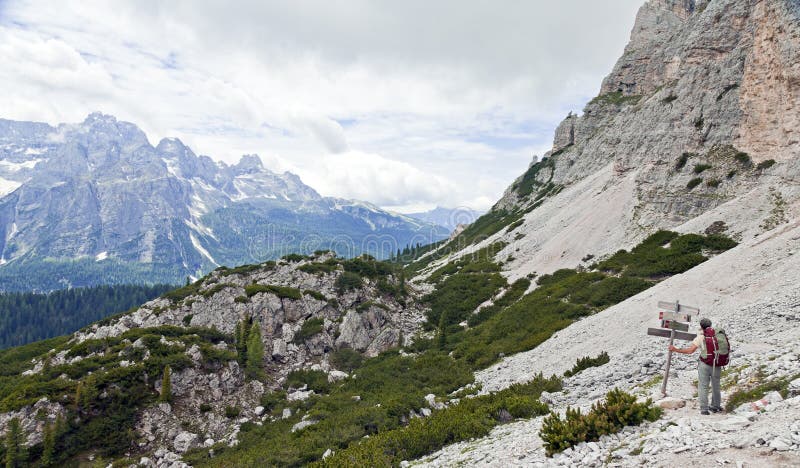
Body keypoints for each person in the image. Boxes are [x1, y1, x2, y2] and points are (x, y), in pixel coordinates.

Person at [668, 318, 721, 415]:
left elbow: (690, 351)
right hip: (717, 364)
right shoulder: (717, 335)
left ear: (701, 326)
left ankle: (704, 409)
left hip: (705, 364)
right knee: (716, 386)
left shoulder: (701, 337)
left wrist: (675, 349)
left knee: (703, 386)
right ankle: (716, 406)